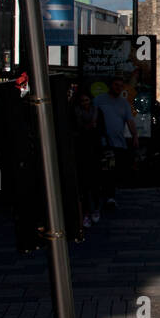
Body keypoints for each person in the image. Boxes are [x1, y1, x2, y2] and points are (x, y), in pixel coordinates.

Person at [94, 76, 138, 208]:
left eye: (120, 86)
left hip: (119, 142)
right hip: (104, 141)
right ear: (110, 86)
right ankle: (109, 196)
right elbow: (94, 118)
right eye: (116, 85)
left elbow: (130, 121)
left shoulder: (123, 103)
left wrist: (135, 135)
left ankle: (109, 193)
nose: (118, 88)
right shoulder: (99, 100)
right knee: (108, 169)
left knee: (116, 169)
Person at [73, 89, 103, 226]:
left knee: (95, 183)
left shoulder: (97, 112)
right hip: (81, 151)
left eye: (86, 100)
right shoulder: (75, 114)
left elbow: (102, 130)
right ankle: (85, 213)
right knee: (84, 185)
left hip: (95, 151)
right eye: (82, 101)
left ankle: (96, 209)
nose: (85, 103)